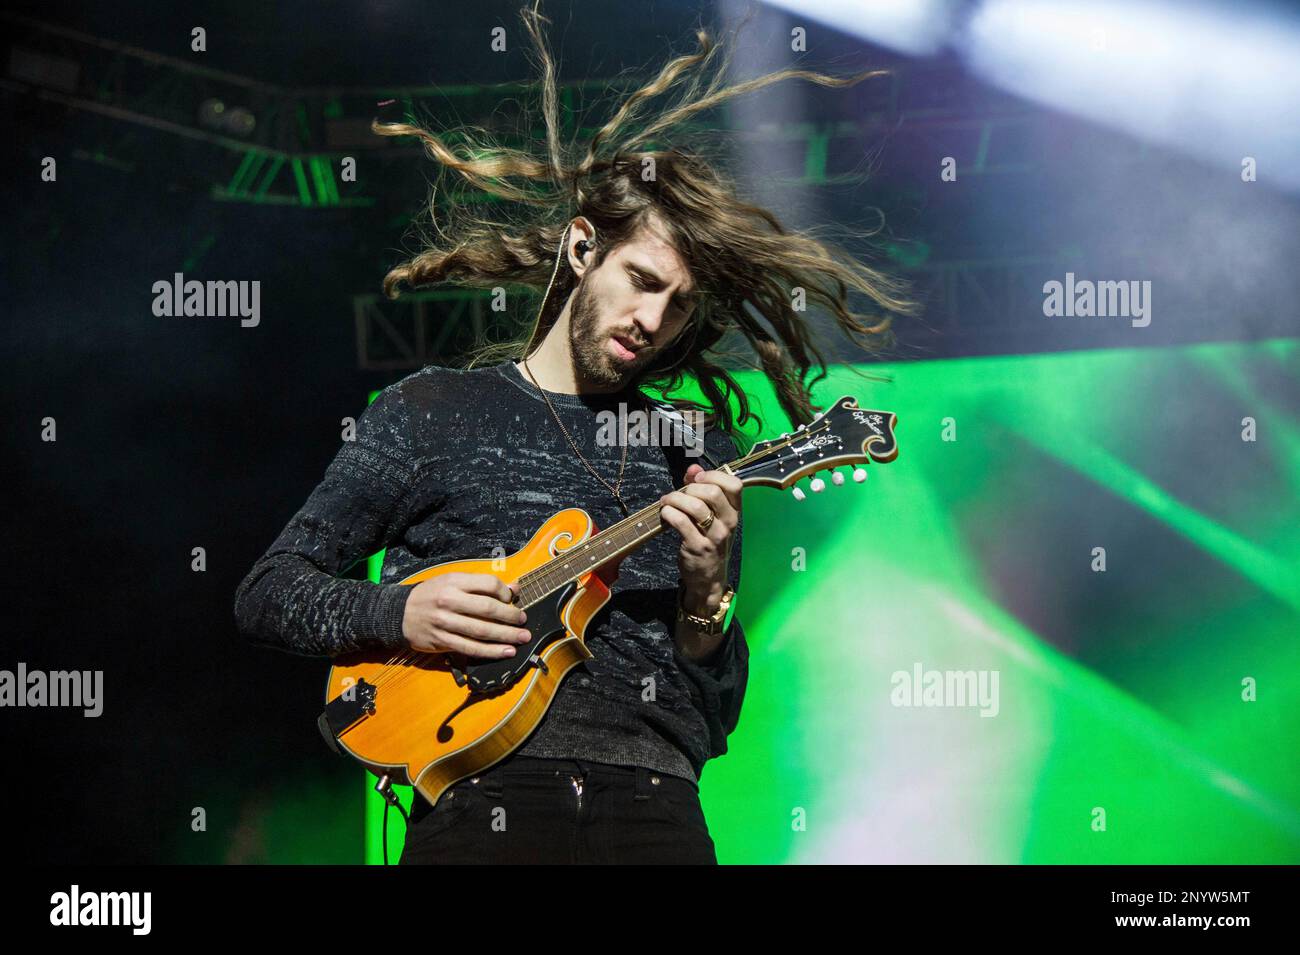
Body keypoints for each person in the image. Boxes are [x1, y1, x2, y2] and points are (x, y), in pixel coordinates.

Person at [234, 1, 912, 864]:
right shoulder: (433, 408)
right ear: (583, 247)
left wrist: (708, 599)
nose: (652, 319)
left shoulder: (689, 448)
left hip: (655, 806)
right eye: (641, 279)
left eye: (679, 306)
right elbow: (267, 591)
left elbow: (712, 712)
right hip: (479, 801)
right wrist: (399, 609)